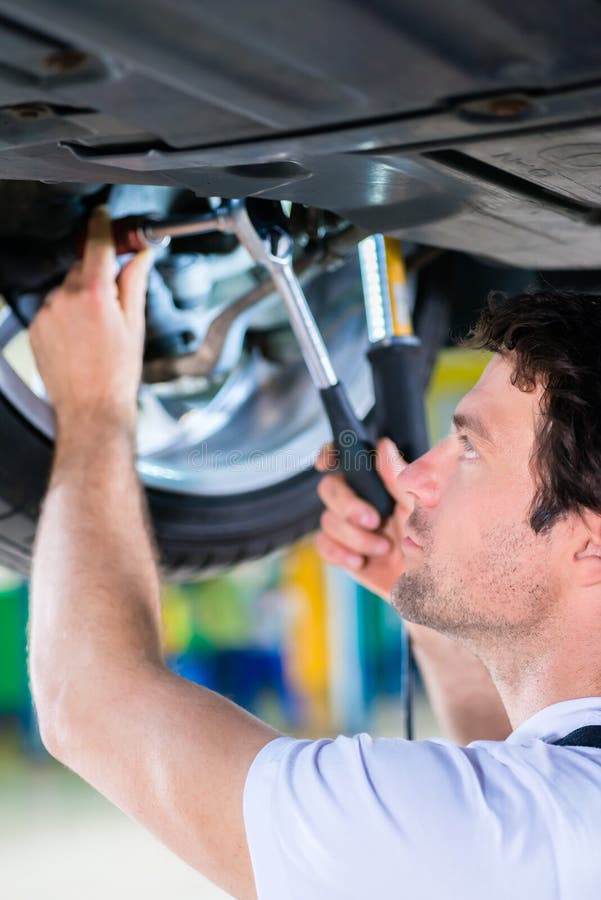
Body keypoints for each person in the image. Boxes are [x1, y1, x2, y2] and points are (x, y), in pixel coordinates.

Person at [29, 207, 601, 900]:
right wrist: (436, 607)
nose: (414, 479)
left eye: (470, 449)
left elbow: (85, 700)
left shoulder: (518, 837)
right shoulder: (546, 827)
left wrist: (92, 403)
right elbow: (512, 808)